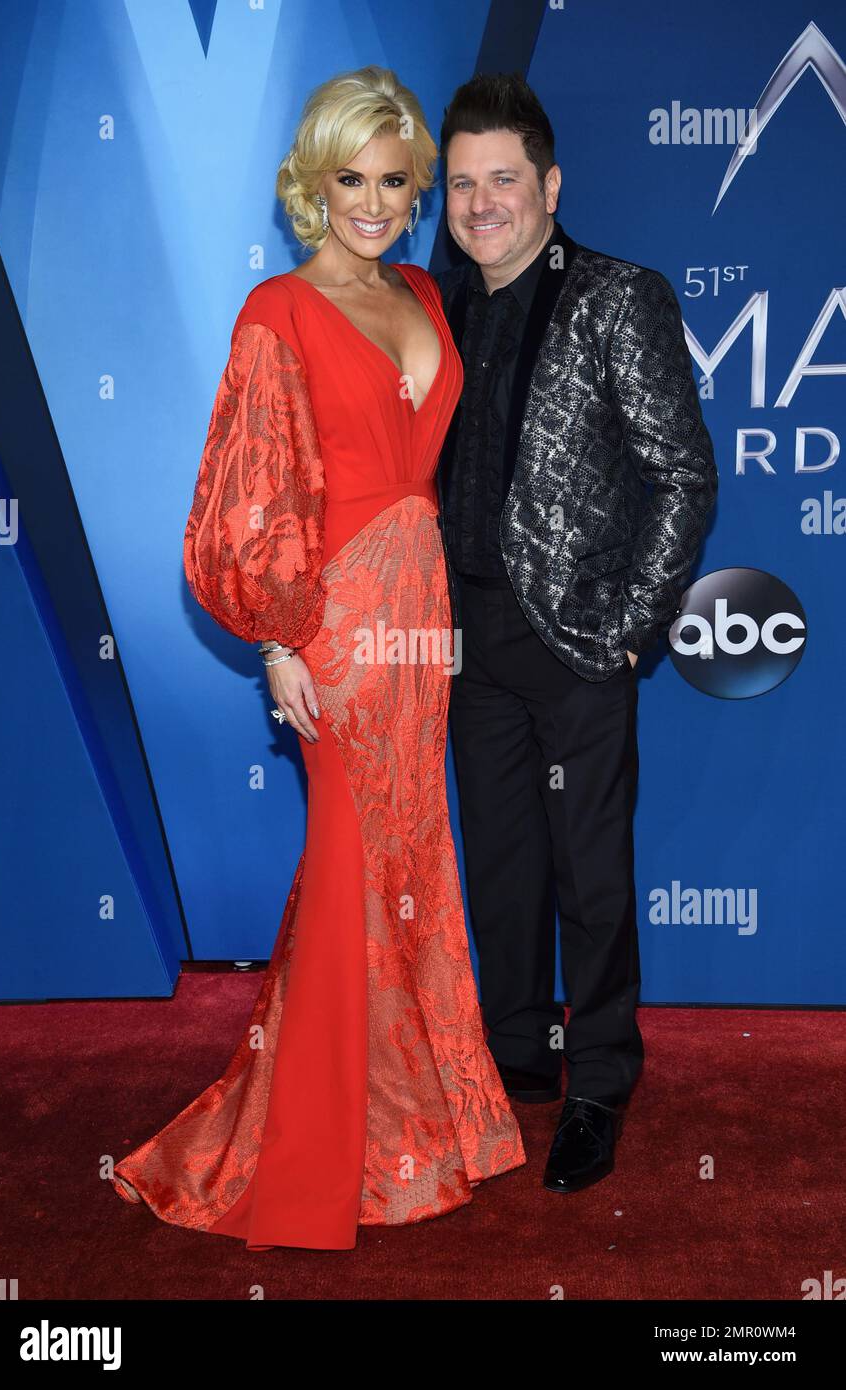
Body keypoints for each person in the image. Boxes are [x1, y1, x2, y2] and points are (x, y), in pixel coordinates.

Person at [110, 66, 524, 1251]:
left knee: (411, 856)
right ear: (314, 179)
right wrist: (281, 640)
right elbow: (249, 496)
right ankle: (310, 1154)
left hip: (420, 620)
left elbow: (425, 471)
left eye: (398, 181)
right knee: (351, 864)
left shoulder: (424, 297)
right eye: (354, 178)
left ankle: (418, 1123)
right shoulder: (275, 312)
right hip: (337, 629)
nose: (378, 201)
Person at [434, 74, 718, 1193]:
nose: (483, 201)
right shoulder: (438, 310)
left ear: (550, 184)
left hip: (577, 640)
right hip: (467, 639)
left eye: (505, 178)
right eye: (463, 183)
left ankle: (597, 1080)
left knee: (589, 874)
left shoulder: (617, 294)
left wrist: (626, 633)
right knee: (501, 870)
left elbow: (683, 476)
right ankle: (517, 1059)